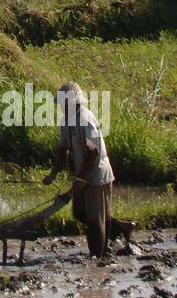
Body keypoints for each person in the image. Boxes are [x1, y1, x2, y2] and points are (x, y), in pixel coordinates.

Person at [43, 81, 138, 259]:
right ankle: (120, 227)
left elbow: (93, 152)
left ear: (74, 102)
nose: (61, 107)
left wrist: (81, 181)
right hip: (83, 174)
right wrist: (52, 174)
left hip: (97, 176)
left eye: (64, 103)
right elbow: (62, 150)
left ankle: (98, 258)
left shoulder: (85, 119)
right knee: (79, 212)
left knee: (94, 222)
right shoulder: (66, 121)